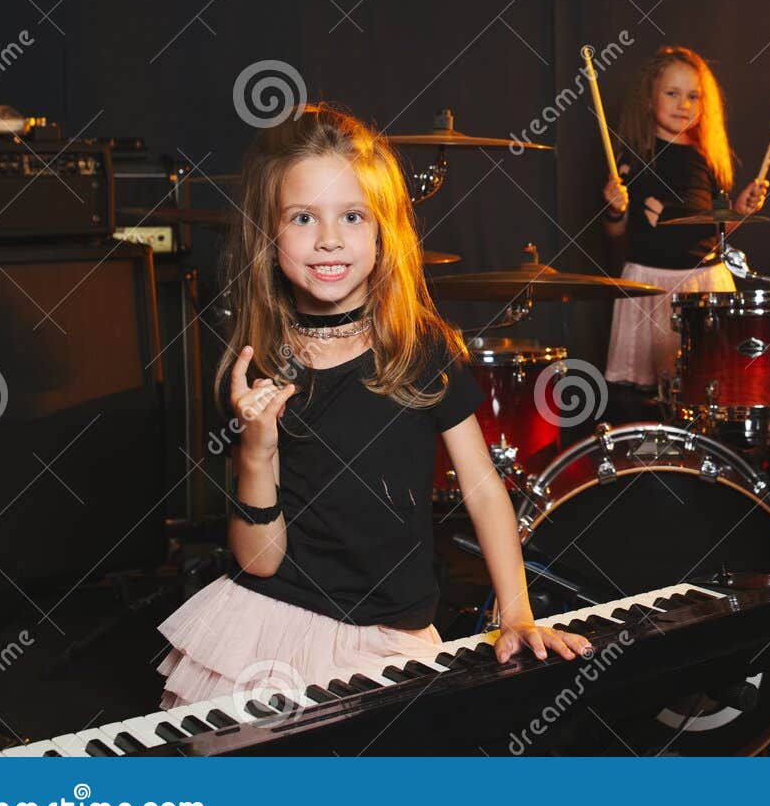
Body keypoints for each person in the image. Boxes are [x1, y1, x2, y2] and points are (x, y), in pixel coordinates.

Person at [156, 104, 590, 708]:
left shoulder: (421, 348)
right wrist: (257, 445)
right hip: (268, 624)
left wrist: (515, 611)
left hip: (390, 635)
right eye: (303, 217)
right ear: (269, 235)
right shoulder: (257, 369)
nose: (329, 238)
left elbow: (484, 488)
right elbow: (259, 561)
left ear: (385, 232)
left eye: (352, 216)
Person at [601, 46, 767, 407]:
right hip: (648, 282)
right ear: (649, 98)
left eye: (693, 96)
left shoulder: (707, 157)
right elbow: (614, 234)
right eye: (672, 94)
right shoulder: (632, 155)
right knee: (649, 400)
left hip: (704, 281)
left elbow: (716, 232)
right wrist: (614, 210)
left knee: (705, 389)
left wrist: (741, 209)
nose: (684, 105)